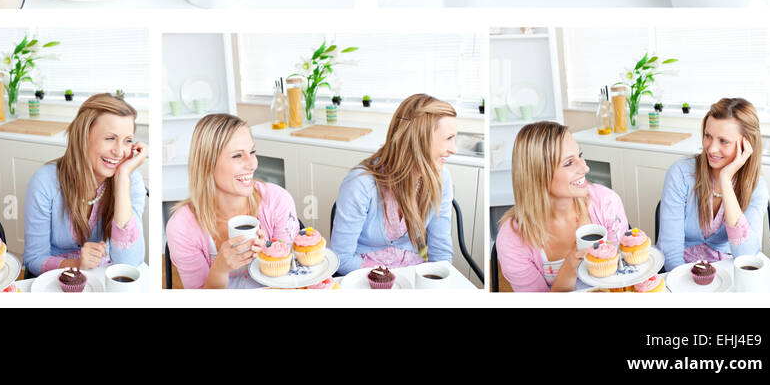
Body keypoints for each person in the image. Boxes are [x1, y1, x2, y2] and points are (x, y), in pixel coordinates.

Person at [164, 113, 299, 289]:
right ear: (207, 164)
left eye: (252, 152)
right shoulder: (182, 227)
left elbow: (291, 280)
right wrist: (220, 269)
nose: (252, 164)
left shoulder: (278, 201)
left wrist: (269, 252)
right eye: (237, 156)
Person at [329, 93, 457, 274]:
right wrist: (390, 280)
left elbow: (441, 253)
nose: (454, 149)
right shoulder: (360, 185)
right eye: (448, 138)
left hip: (414, 275)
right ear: (420, 139)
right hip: (364, 278)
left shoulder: (441, 179)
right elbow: (341, 259)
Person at [495, 121, 629, 292]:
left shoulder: (607, 204)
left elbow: (623, 276)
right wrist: (571, 265)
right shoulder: (513, 240)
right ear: (538, 176)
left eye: (579, 155)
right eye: (568, 163)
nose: (585, 168)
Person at [23, 93, 146, 276]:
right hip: (57, 279)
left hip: (103, 277)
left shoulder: (129, 179)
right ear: (83, 137)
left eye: (127, 140)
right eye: (110, 138)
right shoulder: (45, 183)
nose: (119, 151)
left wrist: (122, 181)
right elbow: (34, 259)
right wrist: (76, 263)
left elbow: (129, 264)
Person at [658, 98, 767, 270]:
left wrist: (725, 182)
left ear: (747, 144)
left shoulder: (756, 186)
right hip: (680, 273)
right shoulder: (680, 173)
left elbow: (747, 257)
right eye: (708, 136)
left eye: (723, 141)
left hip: (727, 272)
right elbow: (670, 251)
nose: (711, 148)